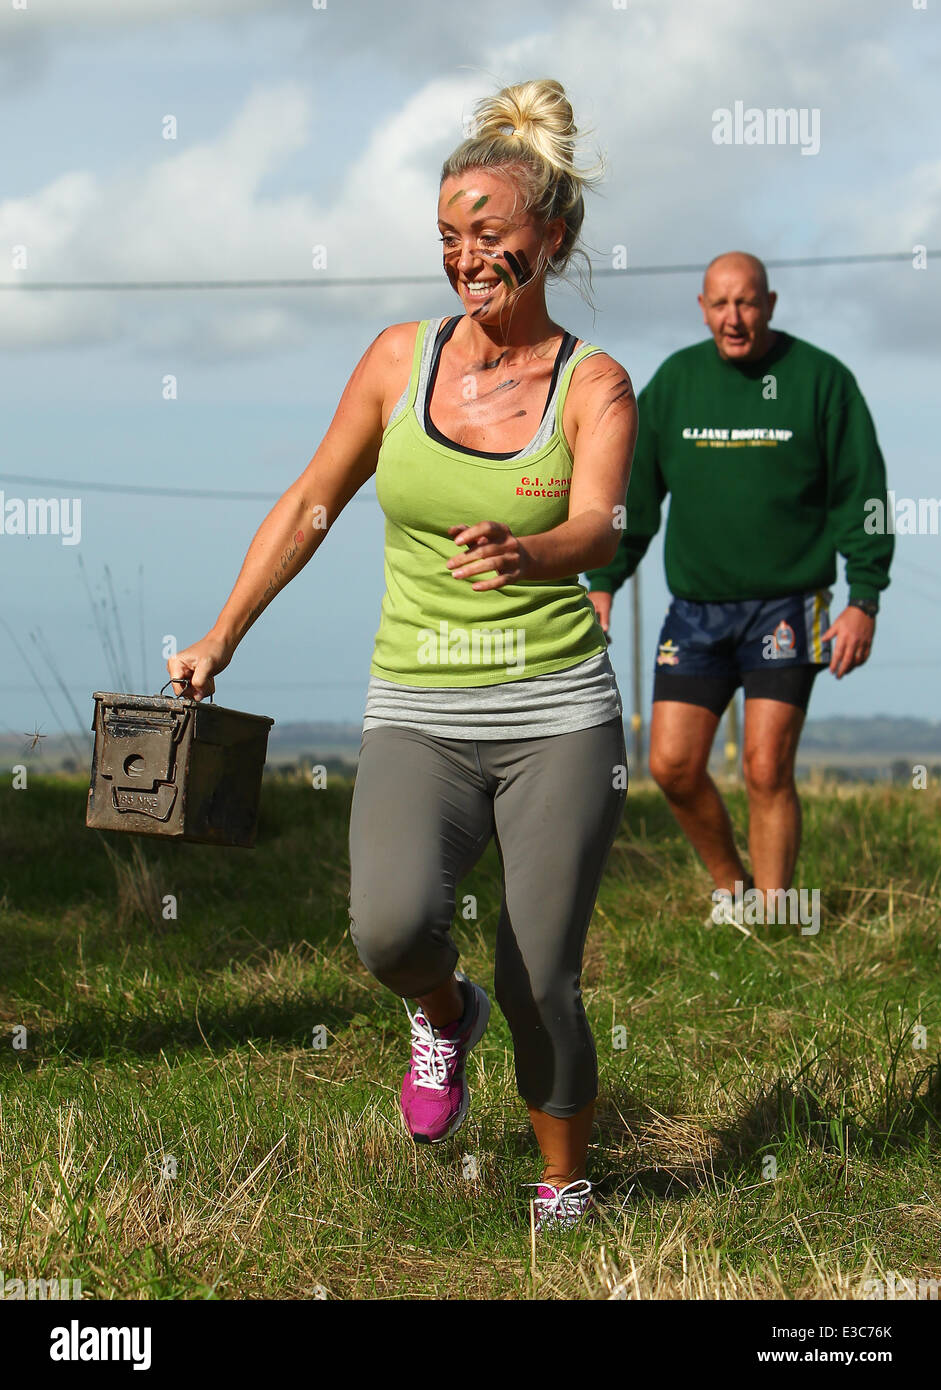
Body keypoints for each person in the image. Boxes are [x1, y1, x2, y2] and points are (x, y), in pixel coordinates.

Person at [167, 78, 637, 1231]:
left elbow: (599, 526)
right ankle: (442, 1011)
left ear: (553, 237)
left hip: (557, 714)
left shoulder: (595, 384)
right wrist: (220, 636)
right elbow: (311, 504)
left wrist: (532, 553)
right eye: (448, 237)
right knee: (387, 926)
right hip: (418, 705)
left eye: (490, 234)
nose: (467, 257)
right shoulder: (397, 362)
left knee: (544, 976)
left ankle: (563, 1184)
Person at [586, 252, 893, 922]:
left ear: (771, 304)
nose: (734, 318)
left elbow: (861, 494)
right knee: (671, 765)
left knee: (763, 768)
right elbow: (633, 498)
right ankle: (734, 888)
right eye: (720, 304)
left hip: (791, 605)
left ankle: (778, 921)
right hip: (696, 611)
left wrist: (863, 599)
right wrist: (606, 580)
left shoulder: (821, 381)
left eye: (747, 303)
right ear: (702, 307)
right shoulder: (676, 383)